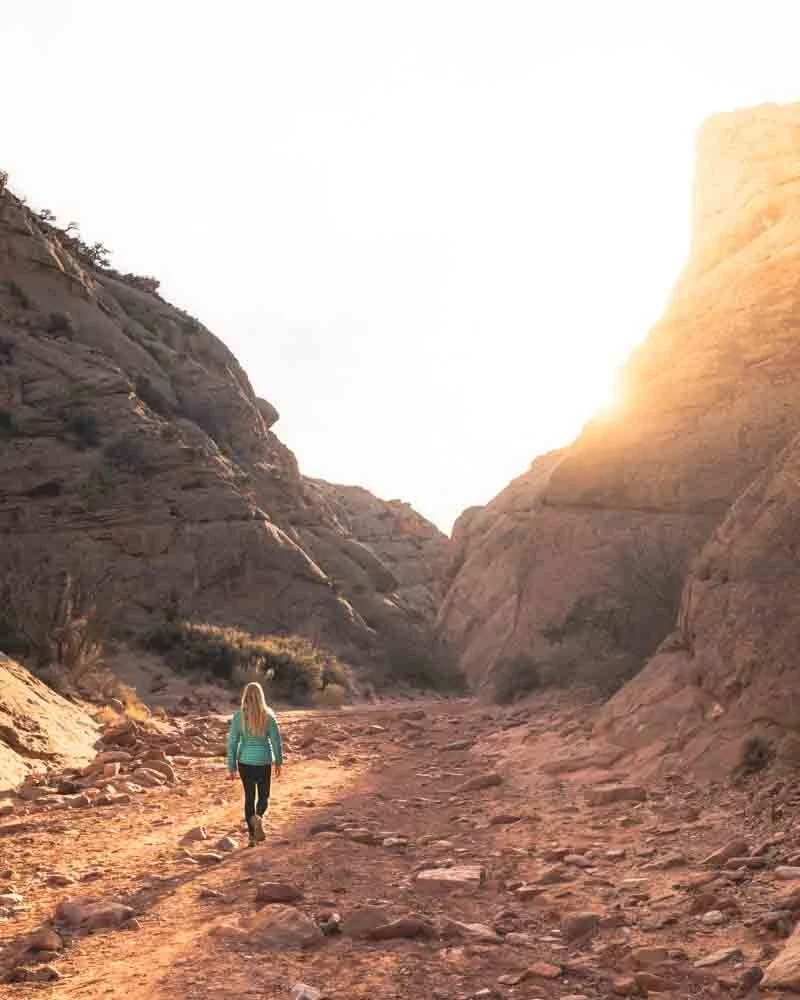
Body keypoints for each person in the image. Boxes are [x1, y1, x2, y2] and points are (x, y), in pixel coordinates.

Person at [227, 681, 284, 847]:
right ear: (261, 696)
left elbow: (232, 742)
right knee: (264, 796)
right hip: (264, 760)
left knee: (249, 798)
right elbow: (276, 741)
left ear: (246, 696)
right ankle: (258, 817)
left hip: (245, 761)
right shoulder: (268, 715)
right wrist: (279, 762)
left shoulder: (239, 716)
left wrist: (231, 766)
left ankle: (252, 836)